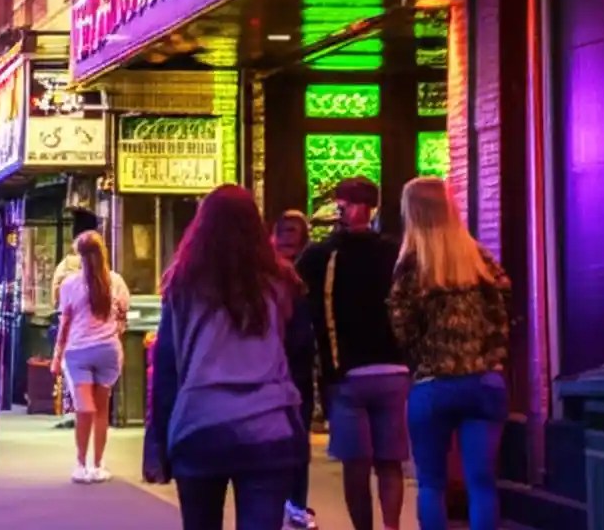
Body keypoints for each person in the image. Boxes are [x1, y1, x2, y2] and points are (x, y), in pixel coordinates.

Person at [143, 185, 308, 529]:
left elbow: (167, 369)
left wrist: (160, 438)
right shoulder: (281, 283)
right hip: (268, 428)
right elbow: (300, 360)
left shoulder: (183, 285)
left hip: (199, 426)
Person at [388, 178, 511, 530]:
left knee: (431, 483)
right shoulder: (479, 257)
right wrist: (494, 356)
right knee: (482, 483)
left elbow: (402, 325)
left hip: (433, 384)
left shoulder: (412, 265)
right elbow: (503, 309)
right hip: (484, 380)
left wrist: (419, 359)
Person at [296, 177, 409, 530]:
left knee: (355, 464)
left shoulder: (322, 255)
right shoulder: (395, 252)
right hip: (393, 369)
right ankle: (390, 526)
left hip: (346, 373)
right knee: (389, 461)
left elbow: (297, 296)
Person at [51, 230, 131, 483]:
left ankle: (79, 464)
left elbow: (65, 324)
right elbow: (123, 318)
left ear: (79, 255)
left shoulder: (70, 284)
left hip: (78, 350)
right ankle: (98, 465)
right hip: (108, 350)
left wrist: (56, 356)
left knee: (84, 408)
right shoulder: (116, 281)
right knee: (101, 410)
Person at [272, 211, 318, 530]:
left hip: (284, 372)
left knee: (290, 440)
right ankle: (292, 502)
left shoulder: (266, 270)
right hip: (287, 373)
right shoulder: (293, 272)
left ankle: (293, 502)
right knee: (292, 441)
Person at [49, 208, 100, 428]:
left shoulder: (66, 265)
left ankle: (76, 410)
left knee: (76, 370)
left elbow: (55, 295)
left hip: (73, 325)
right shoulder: (103, 266)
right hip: (98, 327)